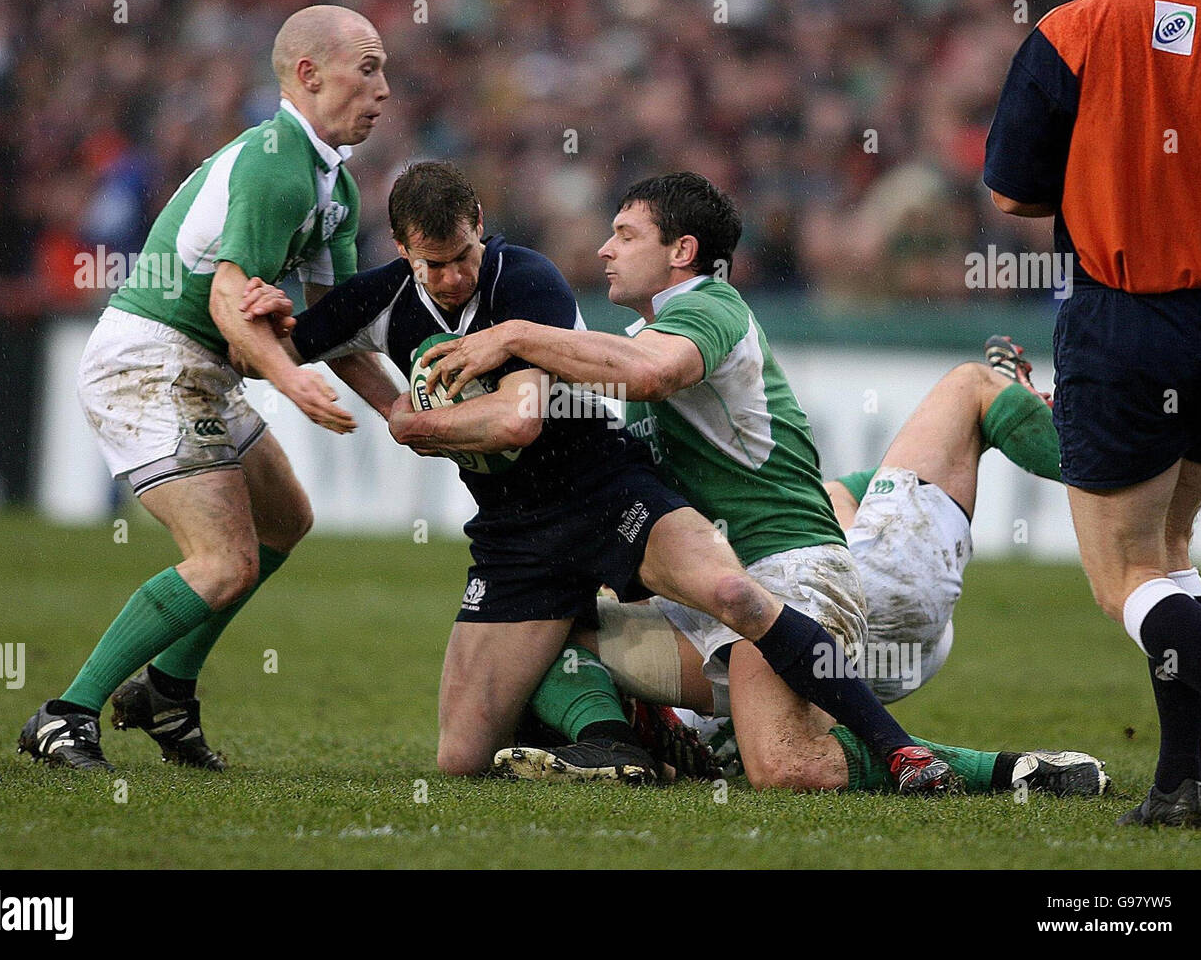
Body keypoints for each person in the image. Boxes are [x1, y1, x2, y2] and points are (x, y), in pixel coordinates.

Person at [243, 161, 956, 792]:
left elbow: (519, 420)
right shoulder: (389, 300)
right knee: (461, 756)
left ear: (481, 228)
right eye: (433, 265)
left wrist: (419, 419)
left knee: (736, 598)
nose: (453, 276)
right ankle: (623, 741)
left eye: (462, 255)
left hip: (607, 493)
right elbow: (288, 343)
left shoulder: (526, 279)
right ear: (401, 250)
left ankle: (900, 750)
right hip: (514, 533)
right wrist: (259, 307)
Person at [420, 173, 1039, 793]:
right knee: (543, 630)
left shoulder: (708, 304)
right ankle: (620, 747)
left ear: (681, 252)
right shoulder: (641, 343)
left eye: (624, 234)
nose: (604, 249)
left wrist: (516, 333)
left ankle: (1000, 769)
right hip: (729, 602)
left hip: (798, 581)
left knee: (785, 767)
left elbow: (653, 373)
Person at [18, 5, 400, 772]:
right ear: (308, 74)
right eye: (368, 68)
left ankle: (166, 690)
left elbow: (338, 323)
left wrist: (407, 413)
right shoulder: (272, 162)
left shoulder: (335, 186)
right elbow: (230, 301)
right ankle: (64, 715)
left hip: (199, 367)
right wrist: (292, 381)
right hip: (150, 362)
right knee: (224, 561)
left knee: (284, 518)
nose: (384, 88)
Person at [552, 337, 1107, 795]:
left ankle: (618, 741)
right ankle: (1120, 468)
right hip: (864, 618)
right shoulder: (706, 461)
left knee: (548, 631)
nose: (607, 250)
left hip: (821, 627)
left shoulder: (613, 500)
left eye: (625, 236)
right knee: (969, 389)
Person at [985, 0, 1201, 827]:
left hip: (1126, 315)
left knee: (1123, 575)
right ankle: (1178, 783)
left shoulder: (1076, 29)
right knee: (1169, 550)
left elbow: (1012, 192)